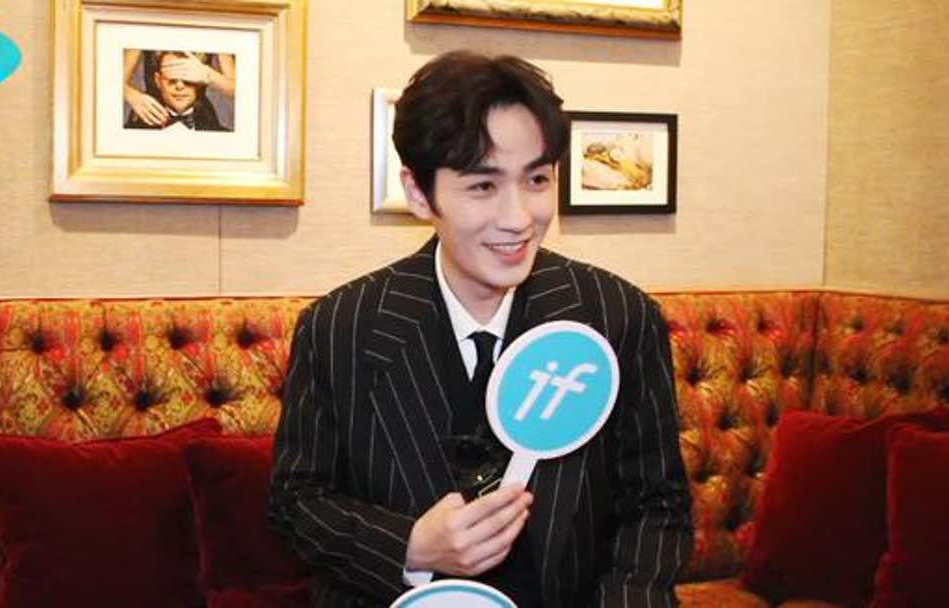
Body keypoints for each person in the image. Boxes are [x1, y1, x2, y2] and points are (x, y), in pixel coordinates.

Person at [268, 51, 692, 607]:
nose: (518, 218)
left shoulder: (618, 316)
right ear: (419, 193)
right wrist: (410, 546)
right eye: (483, 187)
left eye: (536, 179)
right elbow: (296, 501)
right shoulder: (339, 327)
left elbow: (657, 505)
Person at [123, 50, 231, 131]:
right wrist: (131, 95)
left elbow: (238, 89)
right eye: (173, 80)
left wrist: (208, 75)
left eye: (187, 81)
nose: (180, 86)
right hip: (151, 113)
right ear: (157, 79)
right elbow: (115, 80)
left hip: (200, 117)